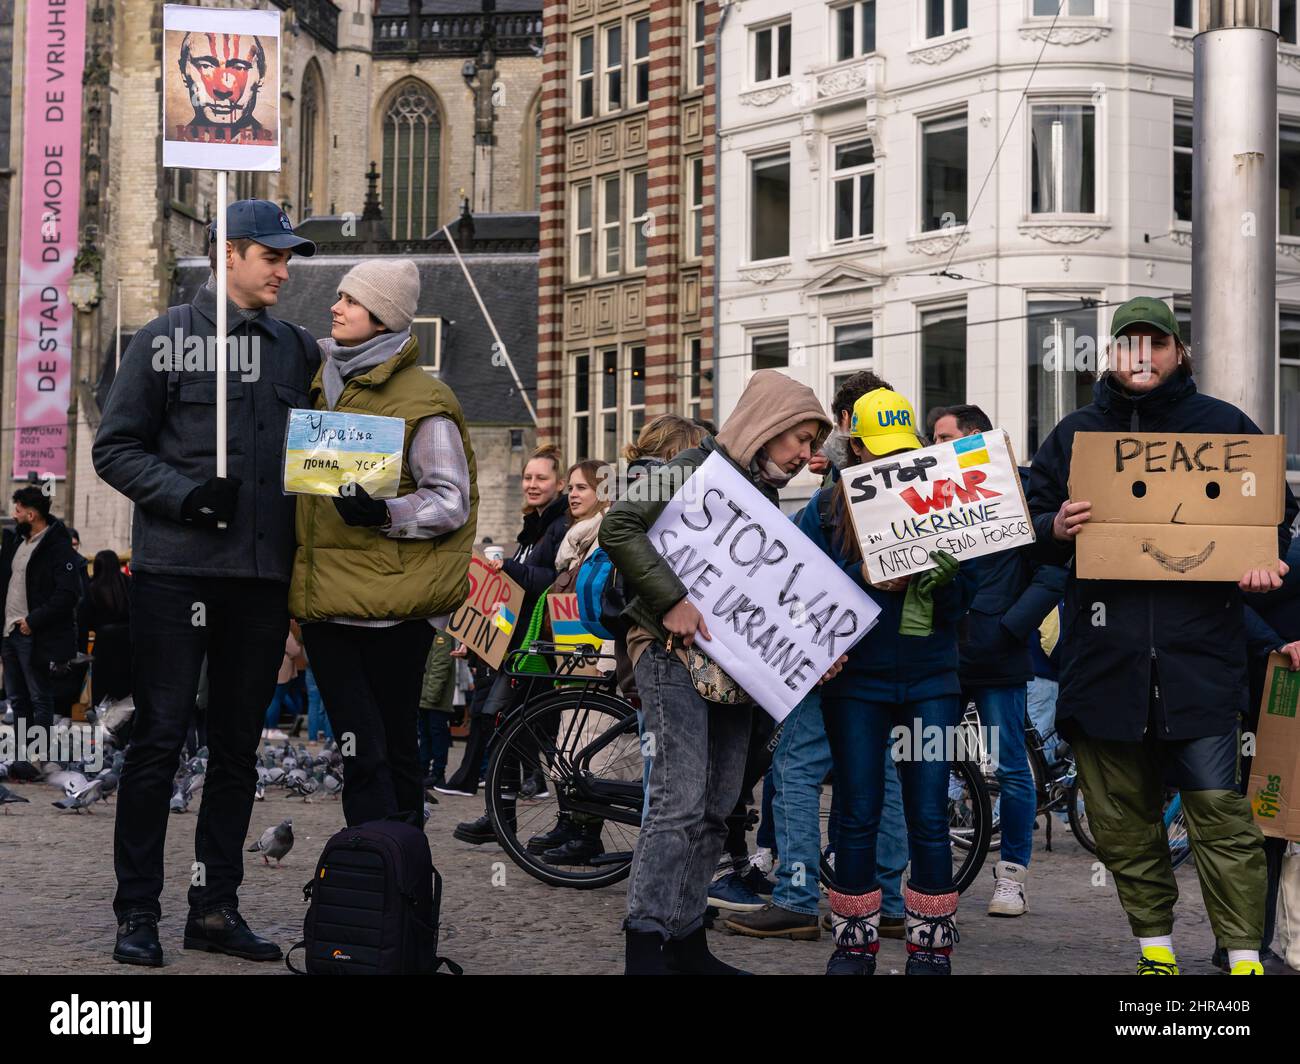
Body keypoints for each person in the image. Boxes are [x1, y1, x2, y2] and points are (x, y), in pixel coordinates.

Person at [1026, 295, 1298, 976]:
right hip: (1105, 665)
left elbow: (1274, 520)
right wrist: (1054, 528)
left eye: (1155, 343)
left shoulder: (1224, 427)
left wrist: (1266, 569)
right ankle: (1155, 950)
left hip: (1199, 667)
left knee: (1221, 818)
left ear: (1180, 353)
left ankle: (1242, 955)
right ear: (1111, 356)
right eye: (1127, 344)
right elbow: (1027, 526)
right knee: (1122, 825)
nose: (1140, 356)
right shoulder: (1074, 435)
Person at [93, 198, 318, 968]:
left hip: (259, 581)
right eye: (273, 258)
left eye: (288, 260)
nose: (286, 272)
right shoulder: (163, 340)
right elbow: (114, 448)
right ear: (230, 254)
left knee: (236, 752)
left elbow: (323, 450)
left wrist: (355, 487)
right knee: (157, 744)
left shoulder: (296, 350)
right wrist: (185, 495)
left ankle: (214, 908)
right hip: (174, 575)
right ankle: (136, 913)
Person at [601, 369, 839, 975]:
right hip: (669, 653)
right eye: (799, 441)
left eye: (813, 446)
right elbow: (619, 524)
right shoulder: (692, 470)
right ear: (768, 427)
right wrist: (672, 597)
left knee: (718, 806)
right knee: (677, 803)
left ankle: (684, 942)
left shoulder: (758, 492)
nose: (805, 456)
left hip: (736, 669)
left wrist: (816, 649)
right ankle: (645, 946)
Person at [290, 258, 477, 828]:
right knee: (358, 750)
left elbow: (451, 500)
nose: (334, 307)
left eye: (349, 300)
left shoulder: (426, 398)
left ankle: (398, 876)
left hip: (395, 613)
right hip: (326, 607)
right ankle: (373, 868)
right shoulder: (314, 380)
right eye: (339, 298)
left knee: (391, 746)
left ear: (383, 316)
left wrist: (386, 512)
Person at [725, 371, 909, 941]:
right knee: (885, 775)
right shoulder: (921, 502)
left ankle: (799, 897)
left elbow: (793, 575)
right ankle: (894, 902)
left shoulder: (832, 503)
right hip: (894, 668)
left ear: (853, 442)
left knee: (796, 772)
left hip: (831, 663)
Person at [800, 386, 978, 975]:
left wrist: (944, 578)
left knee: (929, 814)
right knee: (856, 810)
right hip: (856, 685)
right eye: (878, 451)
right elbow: (800, 589)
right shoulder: (825, 509)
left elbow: (966, 605)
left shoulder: (943, 500)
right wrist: (869, 574)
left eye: (901, 451)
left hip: (932, 680)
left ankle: (931, 950)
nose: (890, 462)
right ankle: (854, 947)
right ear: (854, 449)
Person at [933, 403, 1067, 917]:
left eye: (943, 437)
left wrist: (1010, 627)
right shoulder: (931, 498)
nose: (932, 446)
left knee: (1011, 766)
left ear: (972, 440)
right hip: (943, 653)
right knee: (929, 759)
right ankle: (931, 863)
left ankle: (1011, 876)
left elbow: (1053, 574)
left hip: (998, 655)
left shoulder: (1021, 492)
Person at [447, 447, 568, 841]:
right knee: (503, 728)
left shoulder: (559, 526)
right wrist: (476, 638)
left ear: (559, 484)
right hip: (517, 648)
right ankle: (502, 819)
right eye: (528, 478)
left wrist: (510, 567)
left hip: (540, 649)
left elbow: (550, 581)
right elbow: (509, 599)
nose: (532, 485)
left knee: (538, 737)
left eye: (541, 478)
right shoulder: (533, 529)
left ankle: (569, 824)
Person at [519, 459, 615, 862]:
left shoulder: (603, 535)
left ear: (603, 494)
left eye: (583, 488)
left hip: (593, 649)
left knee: (589, 740)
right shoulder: (576, 539)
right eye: (572, 487)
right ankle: (570, 822)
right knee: (568, 740)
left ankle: (585, 833)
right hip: (571, 652)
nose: (573, 494)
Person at [0, 487, 82, 765]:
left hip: (32, 633)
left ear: (31, 514)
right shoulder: (17, 543)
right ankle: (23, 755)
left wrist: (33, 621)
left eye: (18, 511)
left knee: (39, 696)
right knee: (17, 699)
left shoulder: (57, 547)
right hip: (10, 632)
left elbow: (68, 594)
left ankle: (39, 754)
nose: (14, 516)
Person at [78, 550, 133, 702]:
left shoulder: (92, 587)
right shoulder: (127, 583)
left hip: (103, 642)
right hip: (127, 642)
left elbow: (84, 619)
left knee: (102, 689)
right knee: (125, 689)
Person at [419, 628, 459, 789]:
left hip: (434, 697)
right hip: (425, 694)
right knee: (426, 734)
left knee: (436, 734)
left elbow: (441, 663)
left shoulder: (442, 631)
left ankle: (437, 773)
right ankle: (424, 771)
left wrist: (432, 694)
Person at [262, 624, 303, 741]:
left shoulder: (264, 629)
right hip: (282, 670)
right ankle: (273, 729)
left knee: (268, 700)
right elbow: (295, 650)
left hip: (267, 667)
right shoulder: (283, 630)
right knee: (276, 699)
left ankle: (265, 729)